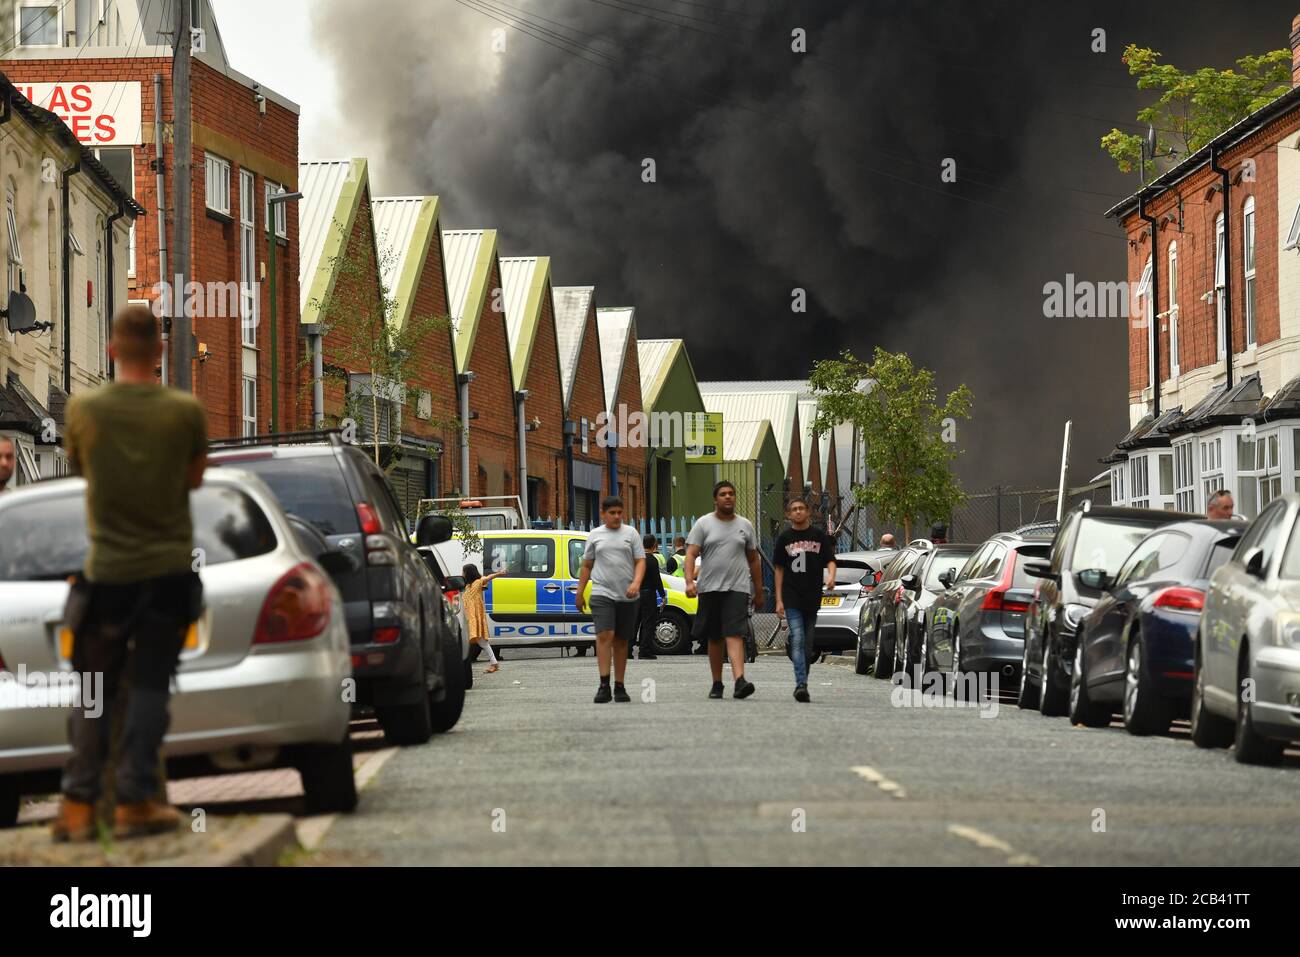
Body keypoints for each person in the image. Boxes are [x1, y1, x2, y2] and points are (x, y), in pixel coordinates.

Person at [54, 304, 208, 842]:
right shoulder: (185, 412)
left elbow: (81, 466)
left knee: (93, 688)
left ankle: (76, 803)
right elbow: (193, 480)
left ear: (113, 350)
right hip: (168, 571)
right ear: (161, 353)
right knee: (149, 688)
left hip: (107, 574)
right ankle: (135, 800)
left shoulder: (85, 408)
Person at [685, 480, 763, 700]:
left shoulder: (745, 525)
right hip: (709, 588)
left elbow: (753, 559)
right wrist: (690, 581)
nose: (728, 497)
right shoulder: (704, 524)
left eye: (731, 493)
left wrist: (758, 589)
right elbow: (691, 554)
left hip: (737, 588)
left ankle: (740, 680)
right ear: (715, 499)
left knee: (734, 633)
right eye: (723, 494)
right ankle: (717, 682)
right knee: (715, 637)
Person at [575, 496, 645, 703]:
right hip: (601, 592)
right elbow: (587, 565)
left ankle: (620, 686)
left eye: (619, 513)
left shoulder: (631, 534)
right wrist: (580, 592)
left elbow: (640, 561)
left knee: (622, 640)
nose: (616, 516)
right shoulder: (595, 535)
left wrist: (636, 583)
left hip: (628, 594)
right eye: (612, 513)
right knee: (605, 635)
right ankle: (604, 684)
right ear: (603, 513)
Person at [774, 497, 836, 703]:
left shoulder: (818, 536)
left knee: (808, 644)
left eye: (802, 508)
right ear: (788, 515)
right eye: (794, 509)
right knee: (798, 638)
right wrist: (779, 599)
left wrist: (832, 577)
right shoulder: (784, 538)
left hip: (812, 596)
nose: (798, 512)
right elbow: (779, 569)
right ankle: (800, 683)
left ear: (808, 512)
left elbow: (830, 560)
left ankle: (803, 681)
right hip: (792, 596)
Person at [633, 535, 675, 660]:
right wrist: (662, 596)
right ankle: (644, 650)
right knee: (648, 622)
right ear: (654, 545)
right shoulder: (652, 560)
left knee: (635, 622)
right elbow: (657, 580)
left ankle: (628, 649)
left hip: (635, 594)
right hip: (648, 594)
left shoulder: (636, 559)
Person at [461, 563, 504, 673]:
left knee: (481, 642)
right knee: (478, 642)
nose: (462, 574)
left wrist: (499, 573)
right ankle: (493, 663)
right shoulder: (468, 586)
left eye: (464, 572)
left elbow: (488, 577)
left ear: (468, 573)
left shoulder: (478, 582)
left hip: (475, 617)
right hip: (468, 617)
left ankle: (494, 664)